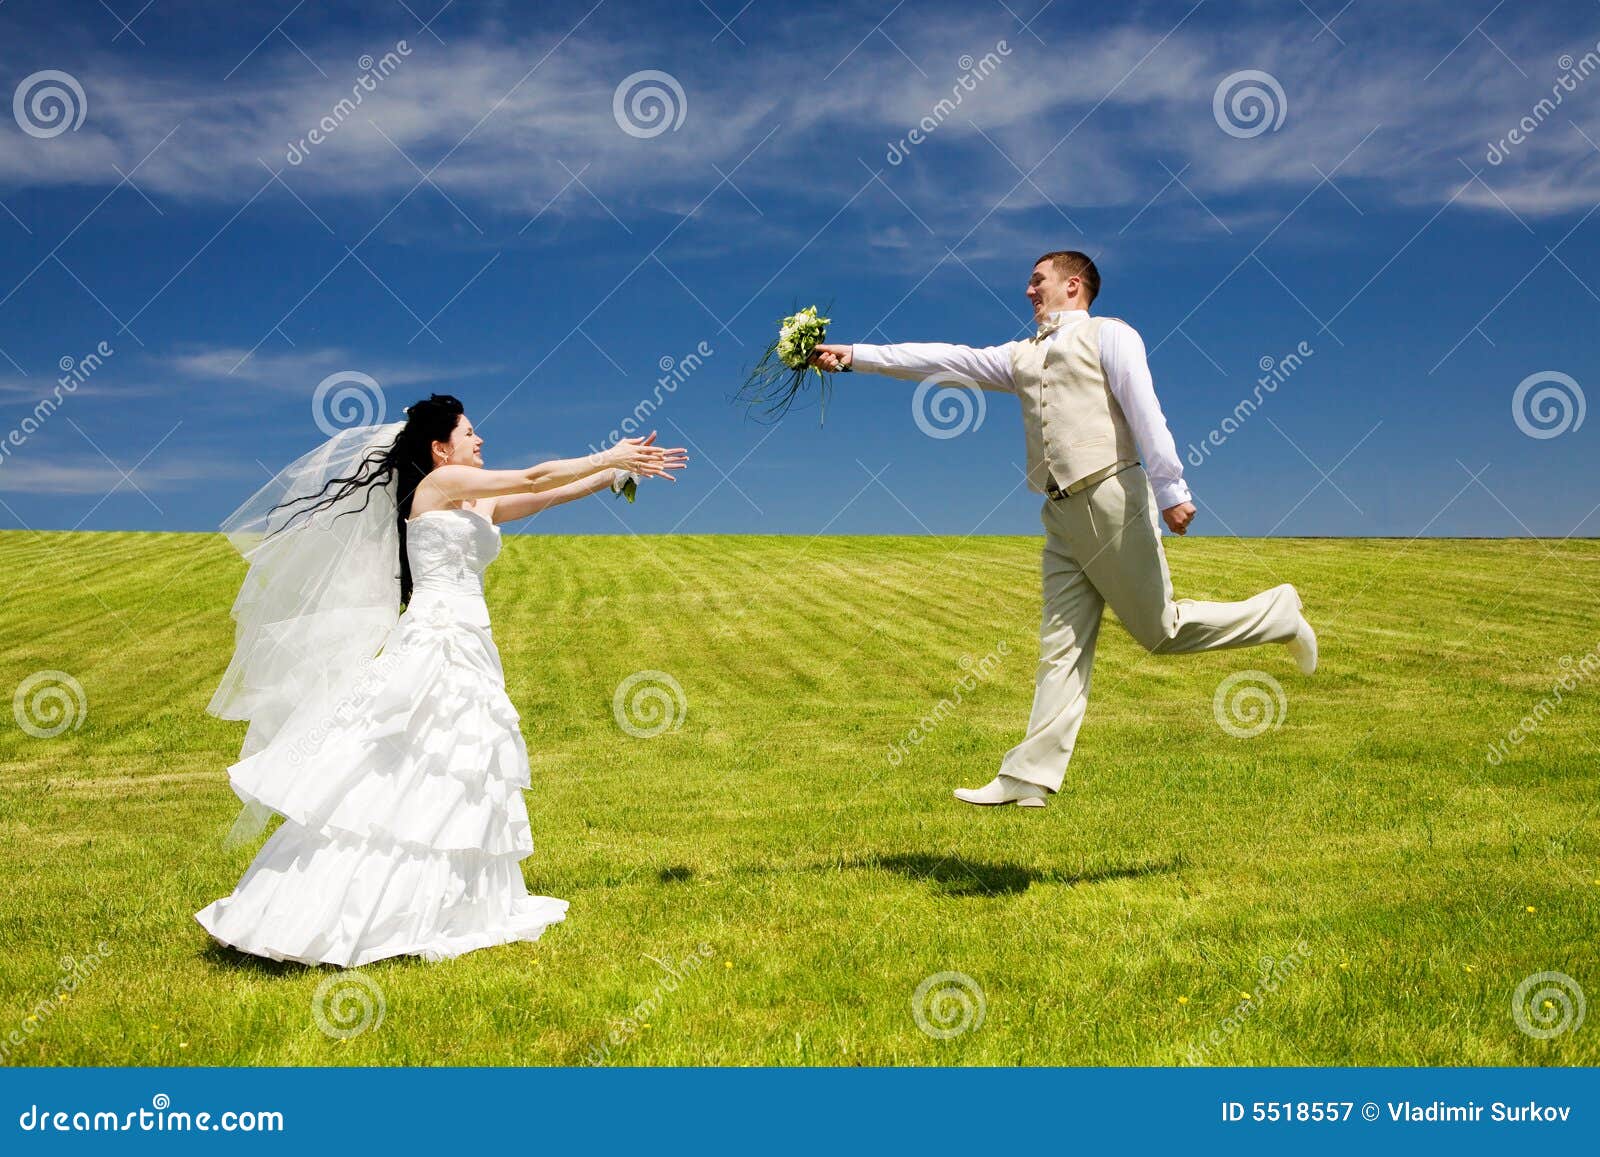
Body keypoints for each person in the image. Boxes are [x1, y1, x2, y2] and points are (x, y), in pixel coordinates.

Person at [810, 250, 1317, 808]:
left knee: (1161, 632)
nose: (1029, 291)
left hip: (1110, 494)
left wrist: (1173, 490)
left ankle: (1279, 614)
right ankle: (1028, 777)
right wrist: (855, 356)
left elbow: (1145, 409)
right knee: (1061, 645)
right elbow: (949, 358)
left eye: (1038, 281)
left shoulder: (1111, 335)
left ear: (1073, 285)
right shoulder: (1021, 355)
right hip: (1059, 511)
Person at [195, 395, 687, 964]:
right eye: (469, 433)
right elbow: (533, 476)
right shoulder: (440, 485)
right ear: (440, 448)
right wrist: (609, 453)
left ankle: (449, 900)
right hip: (436, 638)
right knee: (410, 760)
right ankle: (338, 908)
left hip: (470, 640)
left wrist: (615, 474)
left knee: (461, 763)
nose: (480, 440)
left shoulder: (475, 501)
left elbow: (546, 494)